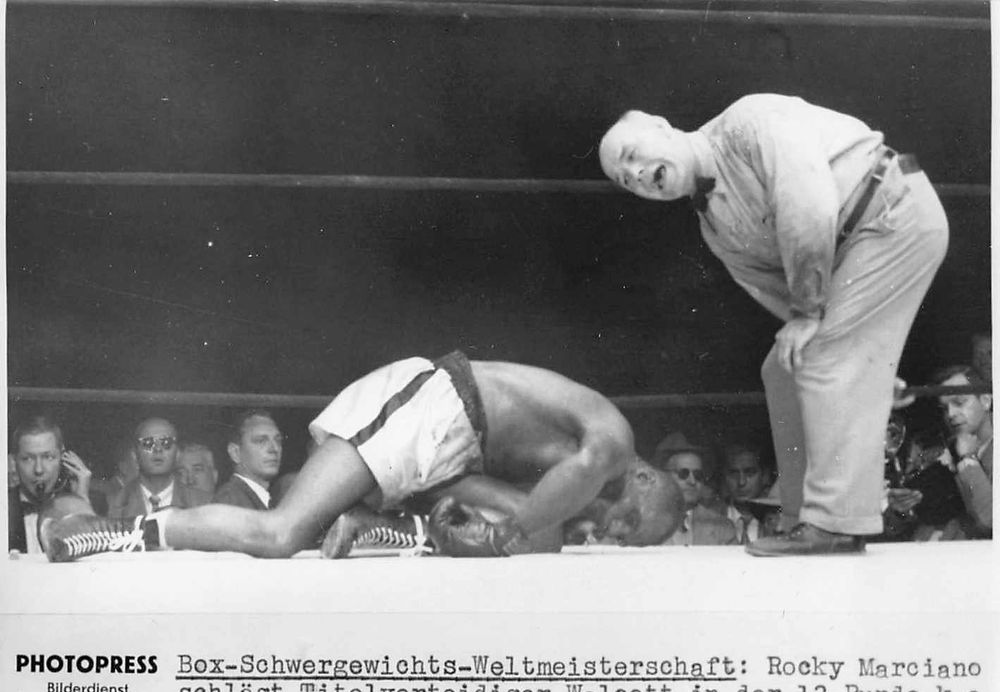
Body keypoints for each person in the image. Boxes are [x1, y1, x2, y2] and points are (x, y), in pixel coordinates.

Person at [599, 93, 948, 555]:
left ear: (662, 126)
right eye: (628, 180)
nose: (639, 175)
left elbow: (810, 203)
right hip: (850, 255)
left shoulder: (749, 121)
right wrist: (860, 359)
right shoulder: (713, 226)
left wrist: (821, 330)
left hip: (890, 214)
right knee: (787, 366)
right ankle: (801, 515)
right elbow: (779, 293)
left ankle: (836, 524)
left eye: (632, 155)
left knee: (822, 355)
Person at [41, 351, 638, 561]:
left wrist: (505, 531)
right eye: (637, 516)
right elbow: (583, 473)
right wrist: (502, 532)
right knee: (280, 535)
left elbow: (546, 512)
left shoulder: (586, 480)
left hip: (454, 452)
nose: (623, 528)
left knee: (546, 538)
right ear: (644, 476)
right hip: (437, 407)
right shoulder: (612, 440)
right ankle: (120, 530)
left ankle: (384, 527)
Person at [8, 414, 93, 553]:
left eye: (48, 457)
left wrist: (80, 502)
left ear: (62, 457)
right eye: (27, 459)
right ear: (14, 461)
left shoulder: (85, 501)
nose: (39, 470)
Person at [106, 417, 212, 516]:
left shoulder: (205, 504)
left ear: (177, 454)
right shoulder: (112, 504)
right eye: (148, 443)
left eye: (166, 443)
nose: (157, 449)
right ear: (134, 455)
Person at [934, 364, 992, 538]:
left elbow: (992, 521)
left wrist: (968, 460)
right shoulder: (946, 453)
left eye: (959, 402)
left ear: (986, 401)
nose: (951, 414)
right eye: (944, 408)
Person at [213, 410, 283, 510]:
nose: (274, 449)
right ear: (235, 452)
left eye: (278, 440)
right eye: (261, 441)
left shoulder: (246, 498)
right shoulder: (230, 501)